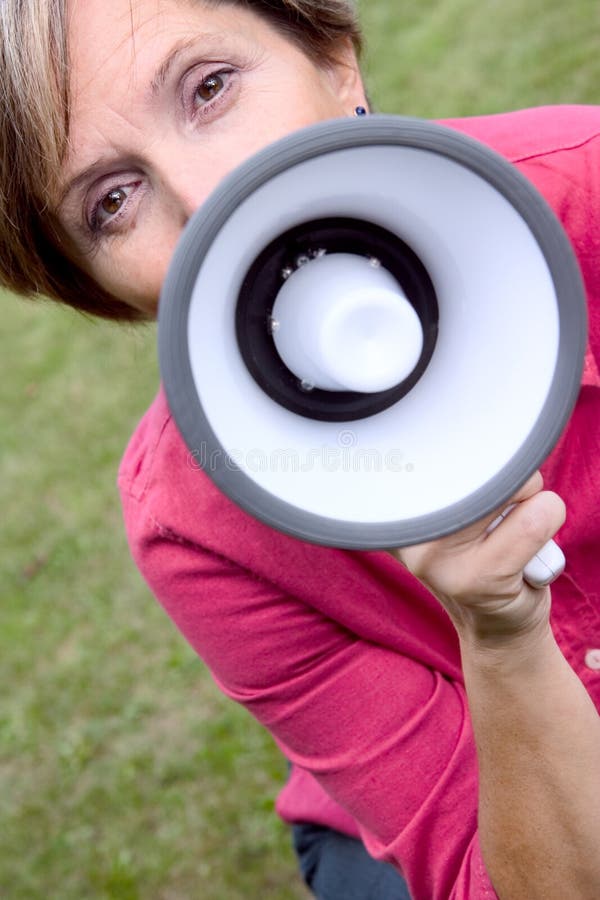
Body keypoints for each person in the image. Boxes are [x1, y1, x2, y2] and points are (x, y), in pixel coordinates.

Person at [1, 2, 599, 898]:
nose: (210, 202)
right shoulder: (194, 527)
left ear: (336, 61)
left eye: (210, 89)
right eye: (112, 201)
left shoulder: (587, 186)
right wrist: (503, 641)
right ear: (108, 294)